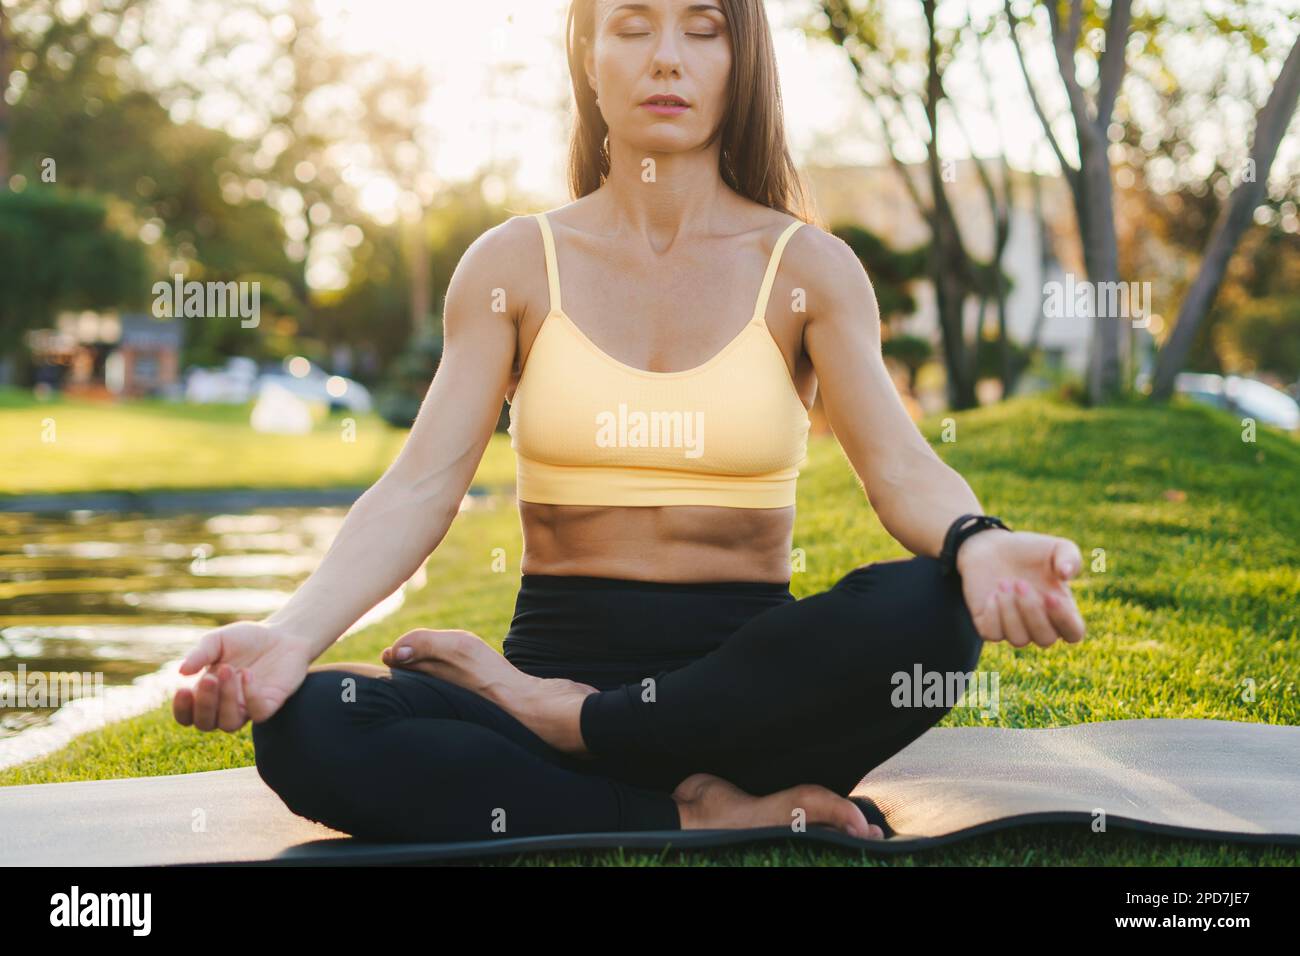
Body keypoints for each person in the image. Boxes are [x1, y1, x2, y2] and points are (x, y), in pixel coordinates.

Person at [172, 0, 1086, 843]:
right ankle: (690, 814)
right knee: (311, 727)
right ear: (586, 52)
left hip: (745, 703)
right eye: (632, 26)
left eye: (702, 29)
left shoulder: (809, 267)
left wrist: (976, 542)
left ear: (744, 59)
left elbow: (901, 469)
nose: (666, 60)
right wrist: (289, 638)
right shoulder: (515, 262)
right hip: (550, 662)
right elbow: (417, 485)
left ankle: (578, 732)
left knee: (935, 611)